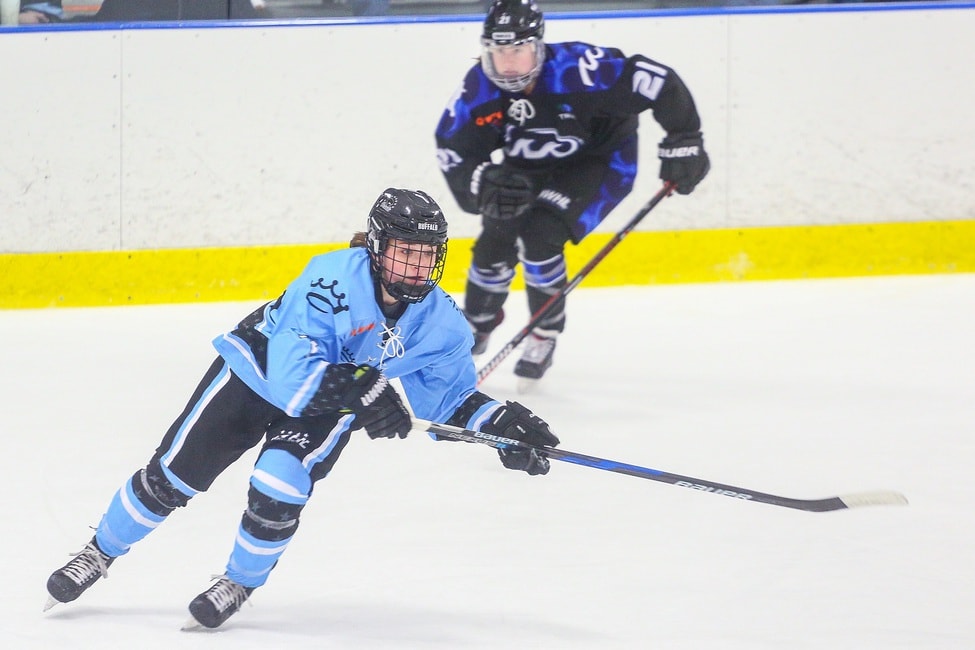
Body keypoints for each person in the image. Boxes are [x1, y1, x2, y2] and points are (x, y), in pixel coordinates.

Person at [43, 188, 560, 630]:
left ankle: (238, 583)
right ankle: (99, 551)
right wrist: (365, 390)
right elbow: (293, 375)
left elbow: (446, 400)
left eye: (428, 254)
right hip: (258, 374)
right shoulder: (330, 279)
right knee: (174, 477)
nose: (417, 266)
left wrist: (497, 426)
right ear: (378, 248)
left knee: (280, 486)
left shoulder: (441, 322)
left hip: (333, 402)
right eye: (405, 251)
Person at [435, 0, 710, 381]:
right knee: (495, 237)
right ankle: (477, 323)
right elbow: (453, 148)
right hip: (526, 167)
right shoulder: (478, 87)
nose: (508, 64)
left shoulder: (579, 69)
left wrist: (685, 140)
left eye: (518, 51)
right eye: (499, 53)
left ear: (539, 46)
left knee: (540, 234)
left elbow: (658, 80)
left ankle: (544, 331)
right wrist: (481, 183)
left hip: (599, 164)